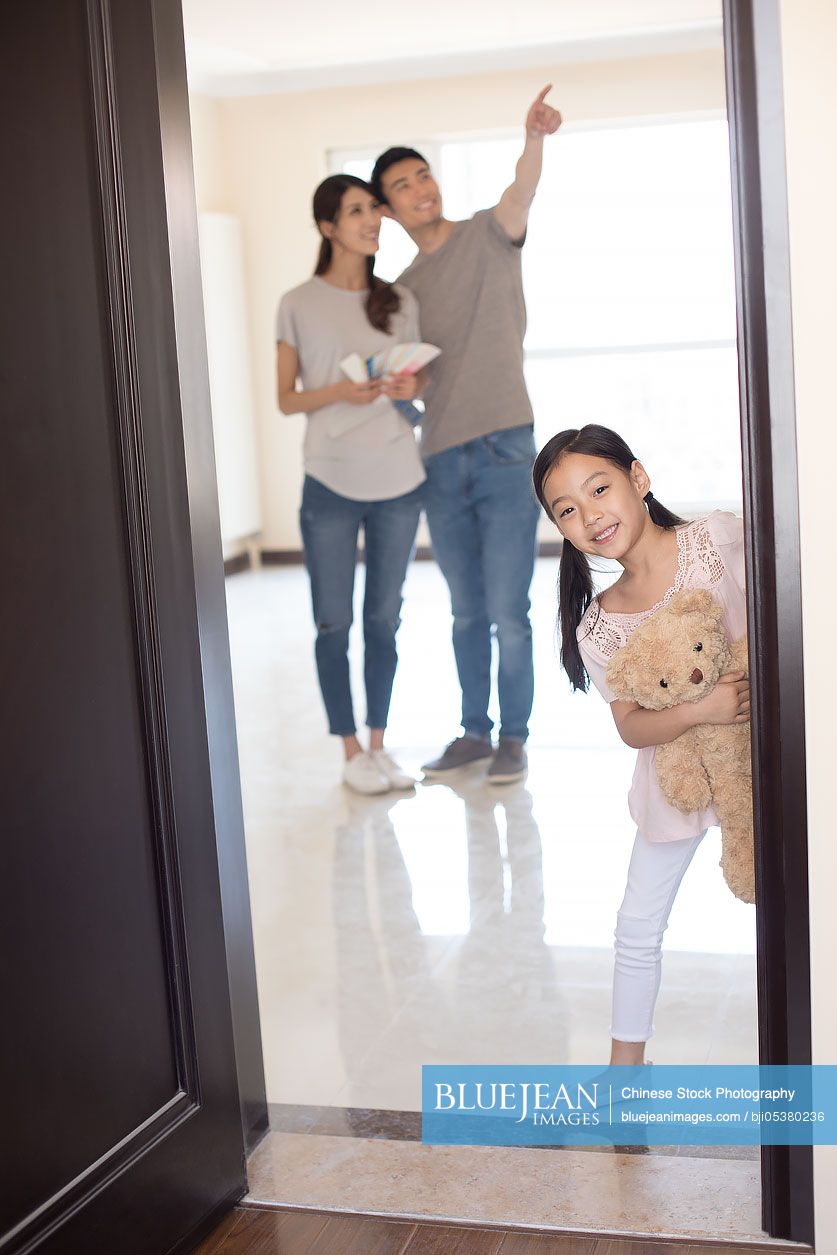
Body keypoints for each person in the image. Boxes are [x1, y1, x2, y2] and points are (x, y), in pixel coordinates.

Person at [531, 424, 750, 1063]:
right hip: (676, 774)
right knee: (636, 924)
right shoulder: (598, 625)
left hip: (759, 758)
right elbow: (630, 726)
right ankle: (625, 1067)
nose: (589, 515)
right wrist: (697, 710)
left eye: (599, 489)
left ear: (640, 479)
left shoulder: (716, 540)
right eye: (567, 510)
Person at [370, 87, 562, 786]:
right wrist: (400, 391)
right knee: (465, 612)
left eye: (423, 174)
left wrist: (533, 138)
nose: (420, 188)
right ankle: (472, 733)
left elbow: (521, 191)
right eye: (403, 185)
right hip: (438, 459)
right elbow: (418, 379)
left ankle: (513, 737)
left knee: (509, 610)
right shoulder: (401, 290)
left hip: (505, 446)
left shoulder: (488, 231)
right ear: (386, 210)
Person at [276, 174, 426, 795]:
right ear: (328, 227)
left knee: (384, 620)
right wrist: (341, 390)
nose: (371, 220)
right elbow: (286, 400)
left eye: (374, 210)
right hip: (330, 483)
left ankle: (379, 745)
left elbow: (417, 388)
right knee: (333, 622)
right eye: (356, 211)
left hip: (398, 477)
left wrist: (407, 389)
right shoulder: (297, 302)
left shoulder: (400, 300)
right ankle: (348, 753)